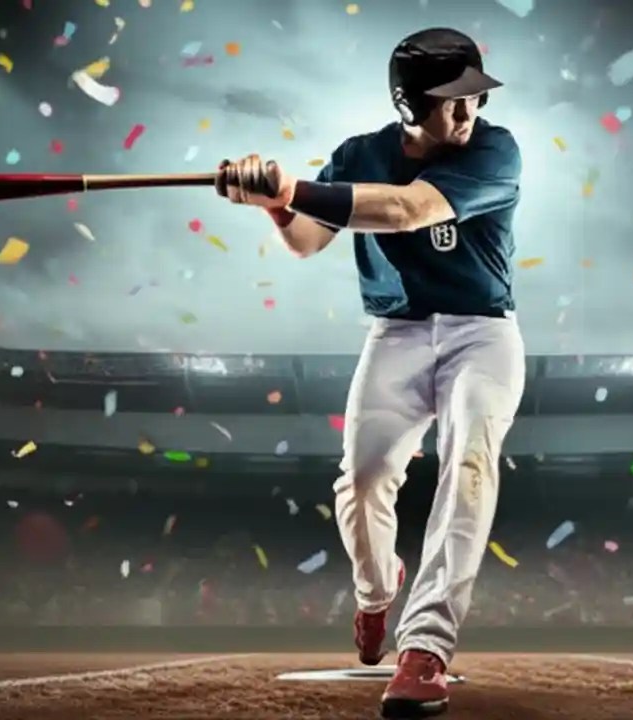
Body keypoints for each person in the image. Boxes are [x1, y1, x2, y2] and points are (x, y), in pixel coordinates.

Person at [215, 27, 525, 719]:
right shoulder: (359, 154)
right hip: (397, 332)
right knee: (361, 480)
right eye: (450, 101)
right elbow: (306, 241)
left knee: (470, 460)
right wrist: (274, 203)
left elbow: (409, 209)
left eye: (474, 97)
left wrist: (297, 185)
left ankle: (426, 648)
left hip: (483, 332)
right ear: (407, 103)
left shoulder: (497, 150)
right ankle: (376, 594)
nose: (467, 114)